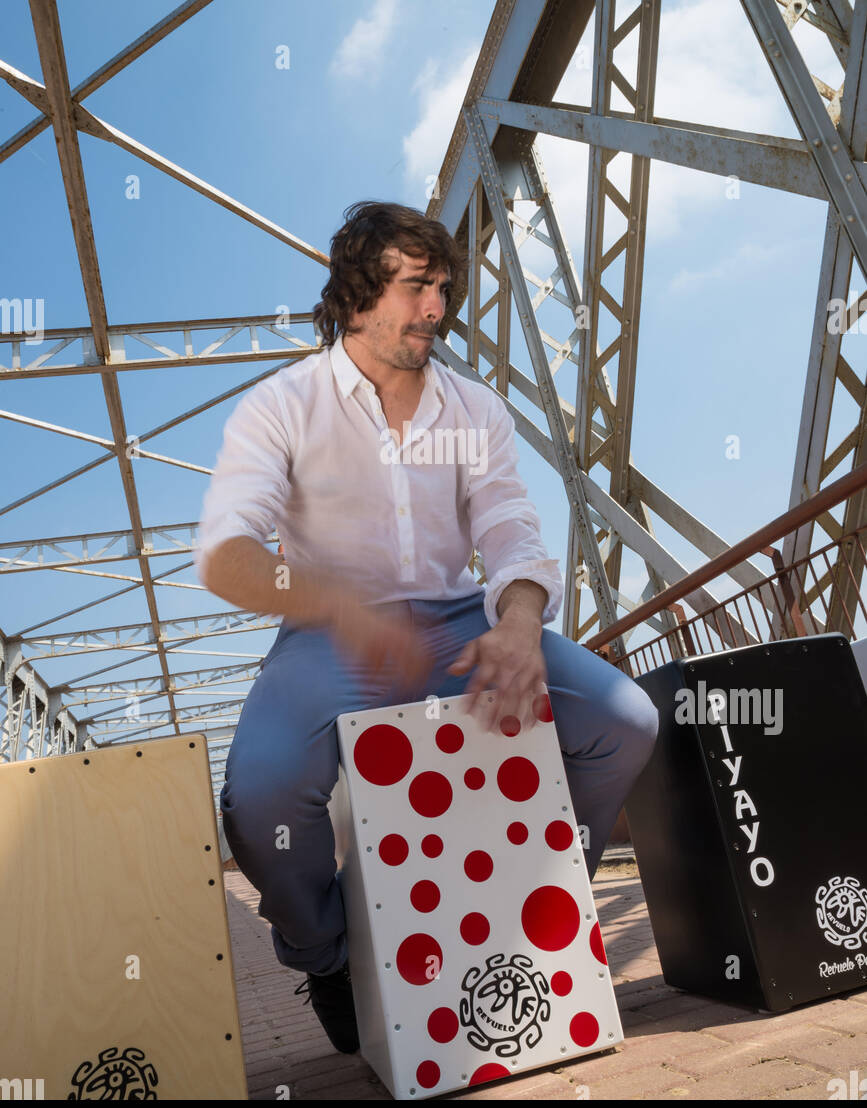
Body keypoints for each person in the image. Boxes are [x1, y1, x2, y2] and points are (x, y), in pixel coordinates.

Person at [195, 199, 658, 1055]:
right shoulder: (281, 406)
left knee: (624, 721)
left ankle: (536, 902)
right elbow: (224, 556)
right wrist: (332, 603)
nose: (437, 309)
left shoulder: (473, 410)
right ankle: (326, 955)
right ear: (358, 294)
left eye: (443, 286)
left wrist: (520, 620)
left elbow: (510, 529)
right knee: (259, 798)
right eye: (416, 288)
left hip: (457, 625)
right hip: (327, 635)